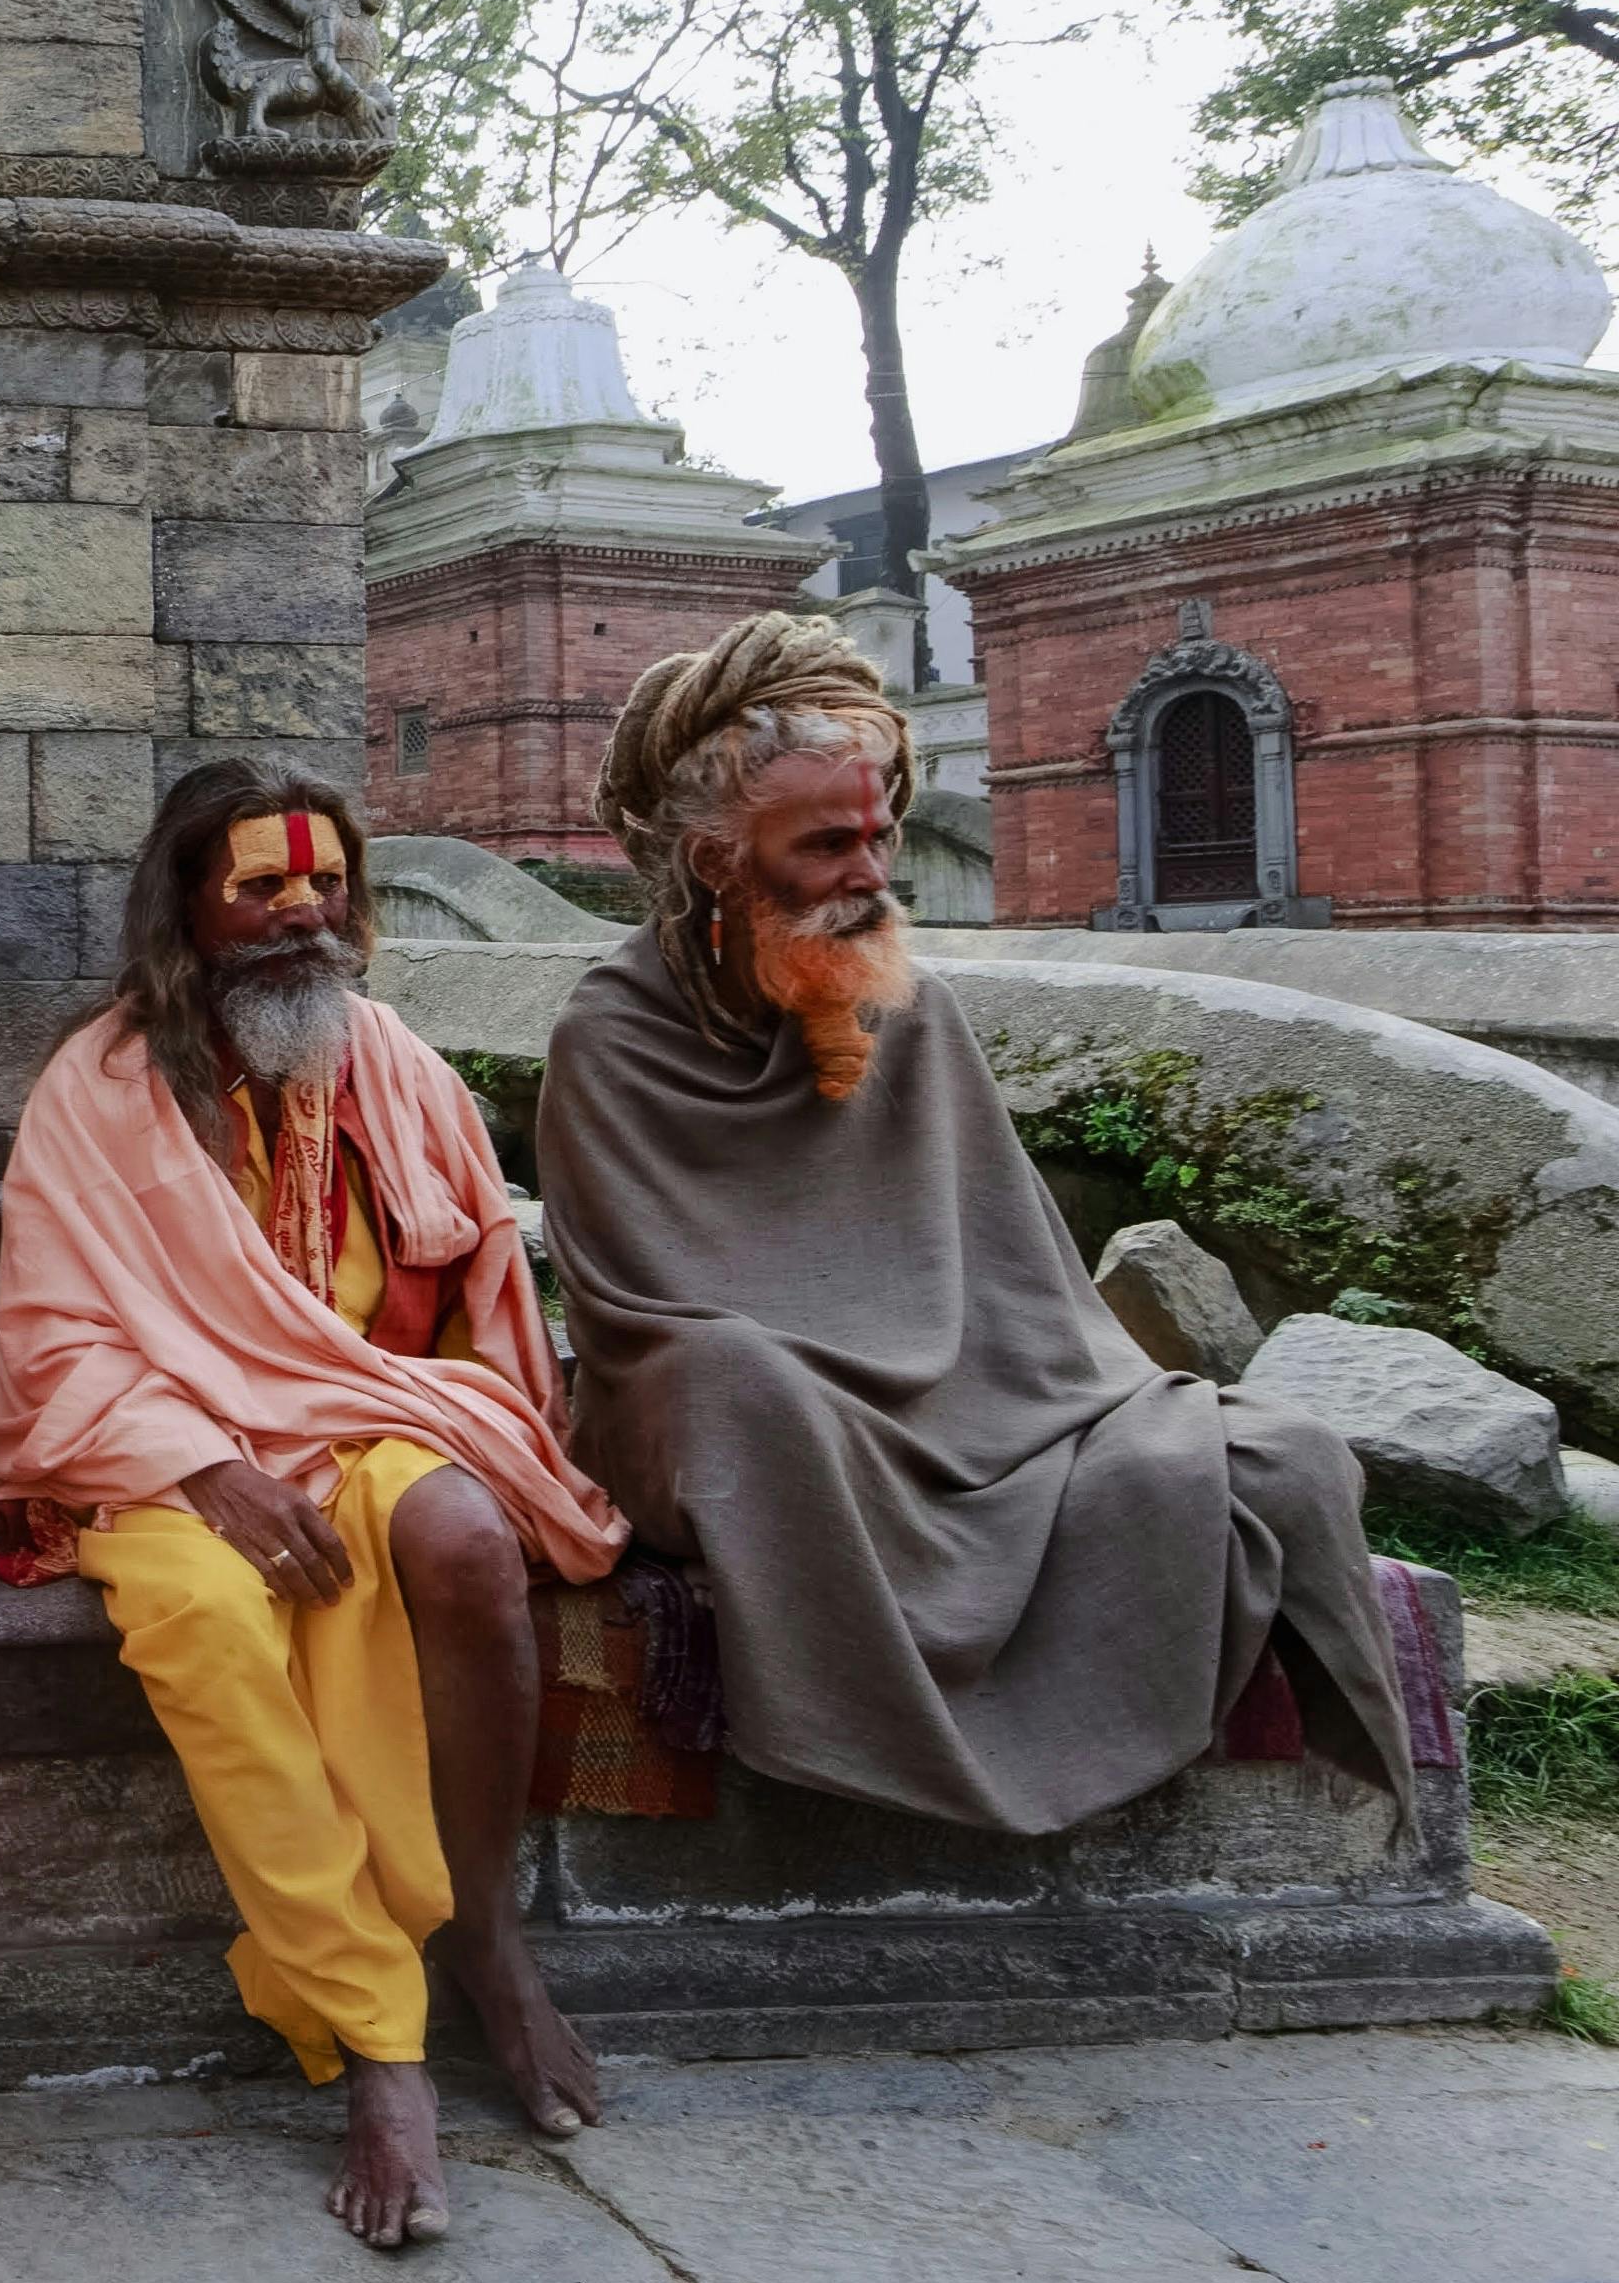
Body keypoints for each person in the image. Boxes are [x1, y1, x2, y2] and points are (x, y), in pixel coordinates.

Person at [540, 612, 1412, 1834]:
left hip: (983, 1408)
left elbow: (1022, 1296)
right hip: (749, 1421)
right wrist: (830, 1390)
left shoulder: (912, 1009)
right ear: (716, 863)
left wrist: (1007, 1417)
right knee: (735, 1382)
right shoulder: (610, 1034)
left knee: (1272, 1458)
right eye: (827, 845)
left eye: (881, 836)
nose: (870, 876)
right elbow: (649, 1323)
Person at [0, 765, 627, 2249]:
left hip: (368, 1420)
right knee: (212, 1616)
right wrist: (202, 1467)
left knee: (465, 1538)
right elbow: (57, 1341)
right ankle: (380, 2038)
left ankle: (490, 1938)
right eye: (261, 886)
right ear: (189, 911)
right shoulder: (102, 1089)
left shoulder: (392, 1064)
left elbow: (481, 1295)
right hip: (169, 1454)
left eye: (326, 882)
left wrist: (484, 1431)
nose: (302, 912)